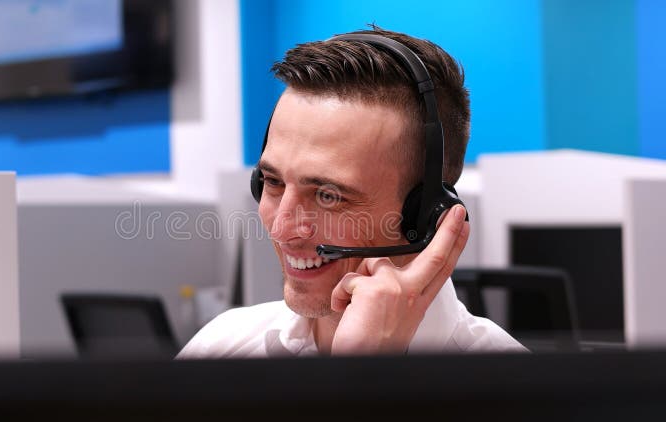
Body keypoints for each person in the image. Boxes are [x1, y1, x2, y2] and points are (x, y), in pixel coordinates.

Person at [178, 26, 525, 358]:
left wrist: (367, 382)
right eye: (273, 182)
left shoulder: (518, 390)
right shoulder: (222, 345)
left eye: (328, 196)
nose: (281, 230)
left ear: (426, 216)